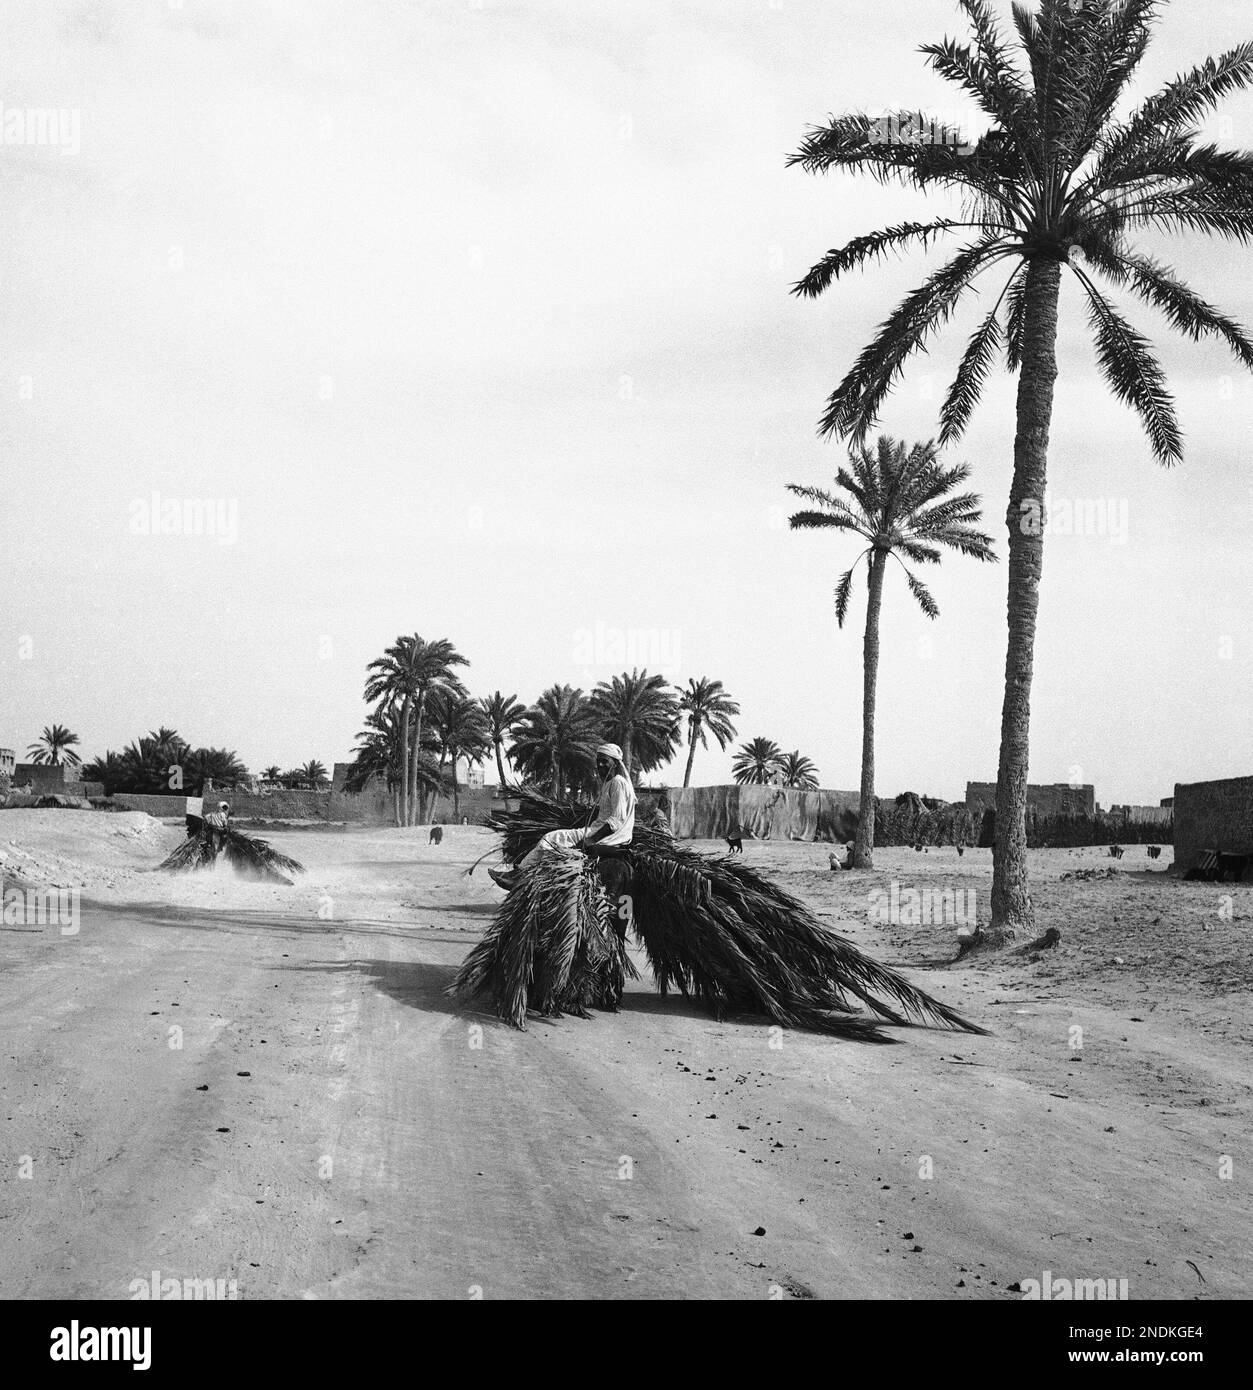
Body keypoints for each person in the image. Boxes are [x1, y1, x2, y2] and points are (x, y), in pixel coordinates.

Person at [489, 743, 635, 890]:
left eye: (605, 761)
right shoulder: (609, 783)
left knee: (550, 839)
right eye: (598, 761)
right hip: (598, 828)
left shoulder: (617, 783)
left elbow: (616, 820)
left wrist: (591, 840)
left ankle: (518, 876)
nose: (601, 765)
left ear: (615, 763)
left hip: (606, 834)